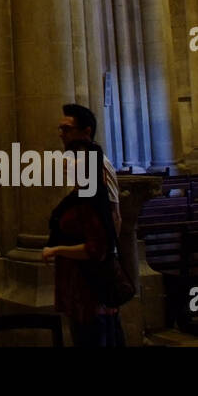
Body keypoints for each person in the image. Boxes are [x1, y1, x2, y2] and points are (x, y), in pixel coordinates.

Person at [42, 137, 127, 347]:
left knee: (94, 338)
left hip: (90, 289)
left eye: (72, 160)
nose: (65, 164)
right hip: (80, 286)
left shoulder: (91, 198)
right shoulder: (80, 194)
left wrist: (56, 250)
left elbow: (96, 248)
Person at [58, 103, 120, 236]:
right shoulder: (71, 161)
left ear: (87, 131)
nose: (61, 134)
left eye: (67, 129)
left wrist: (108, 253)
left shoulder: (100, 163)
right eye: (61, 129)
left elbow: (113, 213)